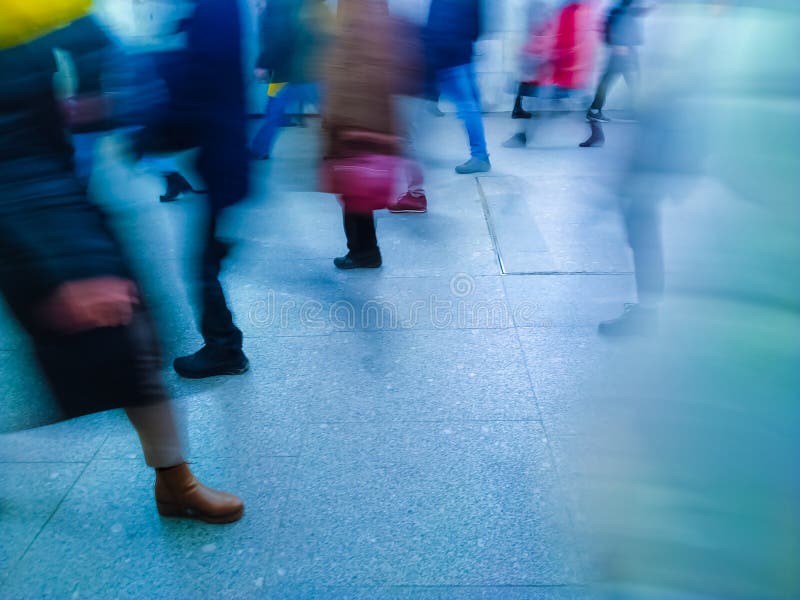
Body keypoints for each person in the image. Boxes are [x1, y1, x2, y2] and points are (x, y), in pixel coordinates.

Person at [0, 5, 243, 523]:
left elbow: (92, 36)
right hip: (21, 188)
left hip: (47, 171)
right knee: (105, 328)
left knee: (128, 331)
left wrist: (92, 94)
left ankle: (175, 482)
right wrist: (62, 262)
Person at [141, 0, 251, 378]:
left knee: (202, 263)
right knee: (206, 258)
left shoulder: (213, 11)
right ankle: (224, 345)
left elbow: (203, 83)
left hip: (222, 154)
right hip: (224, 153)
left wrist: (156, 132)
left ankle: (225, 349)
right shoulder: (217, 11)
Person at [323, 0, 401, 269]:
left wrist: (337, 117)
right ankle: (364, 249)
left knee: (353, 187)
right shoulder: (374, 10)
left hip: (355, 114)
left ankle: (364, 250)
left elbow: (348, 61)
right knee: (356, 188)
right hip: (366, 112)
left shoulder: (355, 10)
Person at [503, 0, 598, 148]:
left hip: (567, 66)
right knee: (557, 96)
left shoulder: (575, 10)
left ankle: (523, 136)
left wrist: (550, 55)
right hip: (563, 65)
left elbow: (570, 38)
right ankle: (523, 135)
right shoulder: (569, 9)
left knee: (546, 97)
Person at [250, 0, 331, 160]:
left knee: (272, 113)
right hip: (310, 71)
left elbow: (277, 38)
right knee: (327, 113)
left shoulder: (277, 6)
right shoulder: (309, 6)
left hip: (285, 73)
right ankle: (336, 150)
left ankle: (260, 150)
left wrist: (263, 64)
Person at [424, 0, 490, 174]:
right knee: (469, 106)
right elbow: (478, 26)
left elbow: (436, 21)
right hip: (462, 53)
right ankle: (480, 155)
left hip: (448, 55)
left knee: (467, 107)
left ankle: (480, 156)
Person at [580, 0, 650, 148]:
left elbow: (634, 14)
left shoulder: (624, 6)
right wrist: (619, 44)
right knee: (628, 81)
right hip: (622, 51)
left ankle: (595, 109)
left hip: (625, 49)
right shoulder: (621, 8)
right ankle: (636, 110)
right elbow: (618, 22)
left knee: (613, 80)